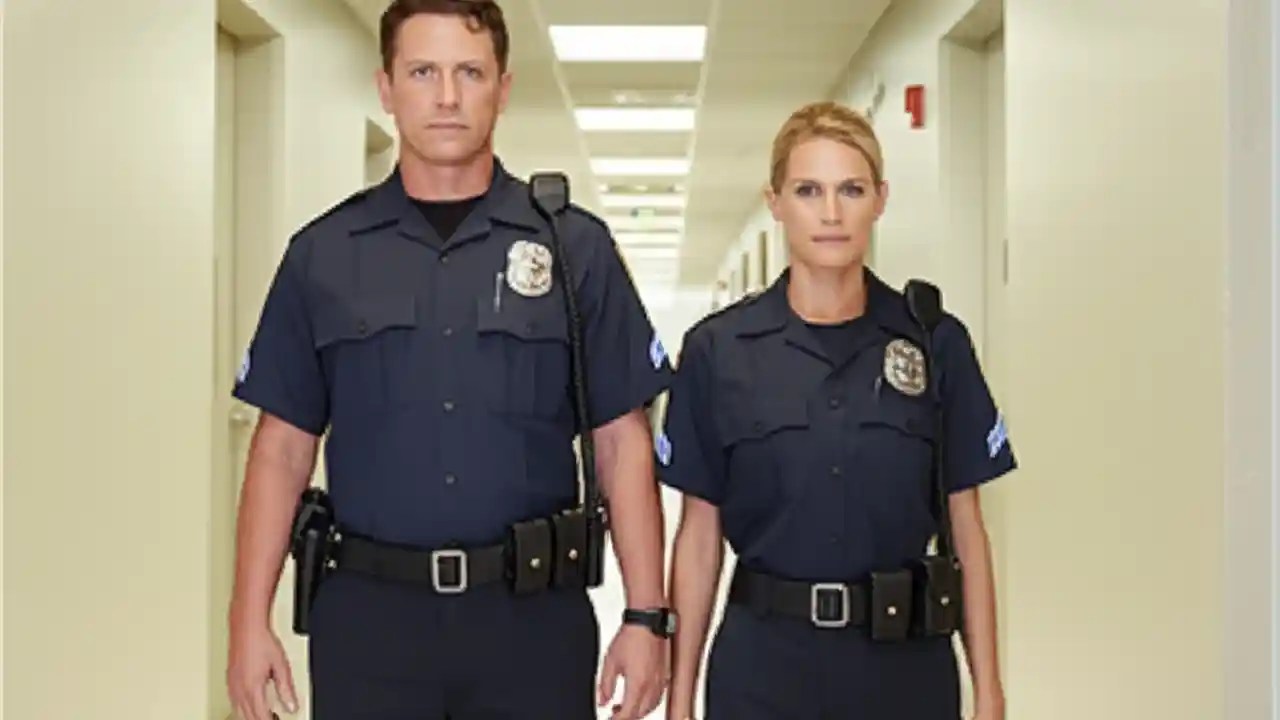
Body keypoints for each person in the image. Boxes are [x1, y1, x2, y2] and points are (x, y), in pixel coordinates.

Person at [223, 2, 675, 719]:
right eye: (422, 72)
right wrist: (248, 621)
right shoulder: (324, 254)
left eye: (469, 72)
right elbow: (281, 449)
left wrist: (646, 616)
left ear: (503, 87)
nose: (446, 97)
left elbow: (622, 441)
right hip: (370, 624)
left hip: (532, 624)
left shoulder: (572, 249)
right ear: (386, 87)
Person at [659, 100, 1014, 719]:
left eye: (851, 189)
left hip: (905, 669)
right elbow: (699, 535)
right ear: (775, 202)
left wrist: (990, 691)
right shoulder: (719, 350)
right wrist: (680, 699)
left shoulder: (935, 342)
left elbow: (967, 528)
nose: (830, 213)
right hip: (763, 669)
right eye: (808, 190)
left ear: (880, 199)